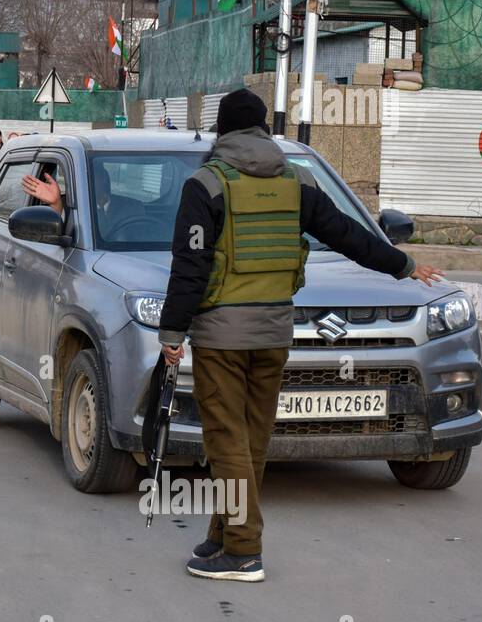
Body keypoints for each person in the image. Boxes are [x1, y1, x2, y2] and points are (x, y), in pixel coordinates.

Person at [157, 88, 443, 582]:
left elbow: (190, 267)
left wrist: (171, 332)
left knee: (226, 438)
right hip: (274, 333)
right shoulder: (297, 182)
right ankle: (223, 534)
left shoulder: (205, 185)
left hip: (223, 336)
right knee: (251, 439)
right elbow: (348, 235)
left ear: (222, 130)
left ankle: (243, 552)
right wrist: (404, 265)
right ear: (263, 128)